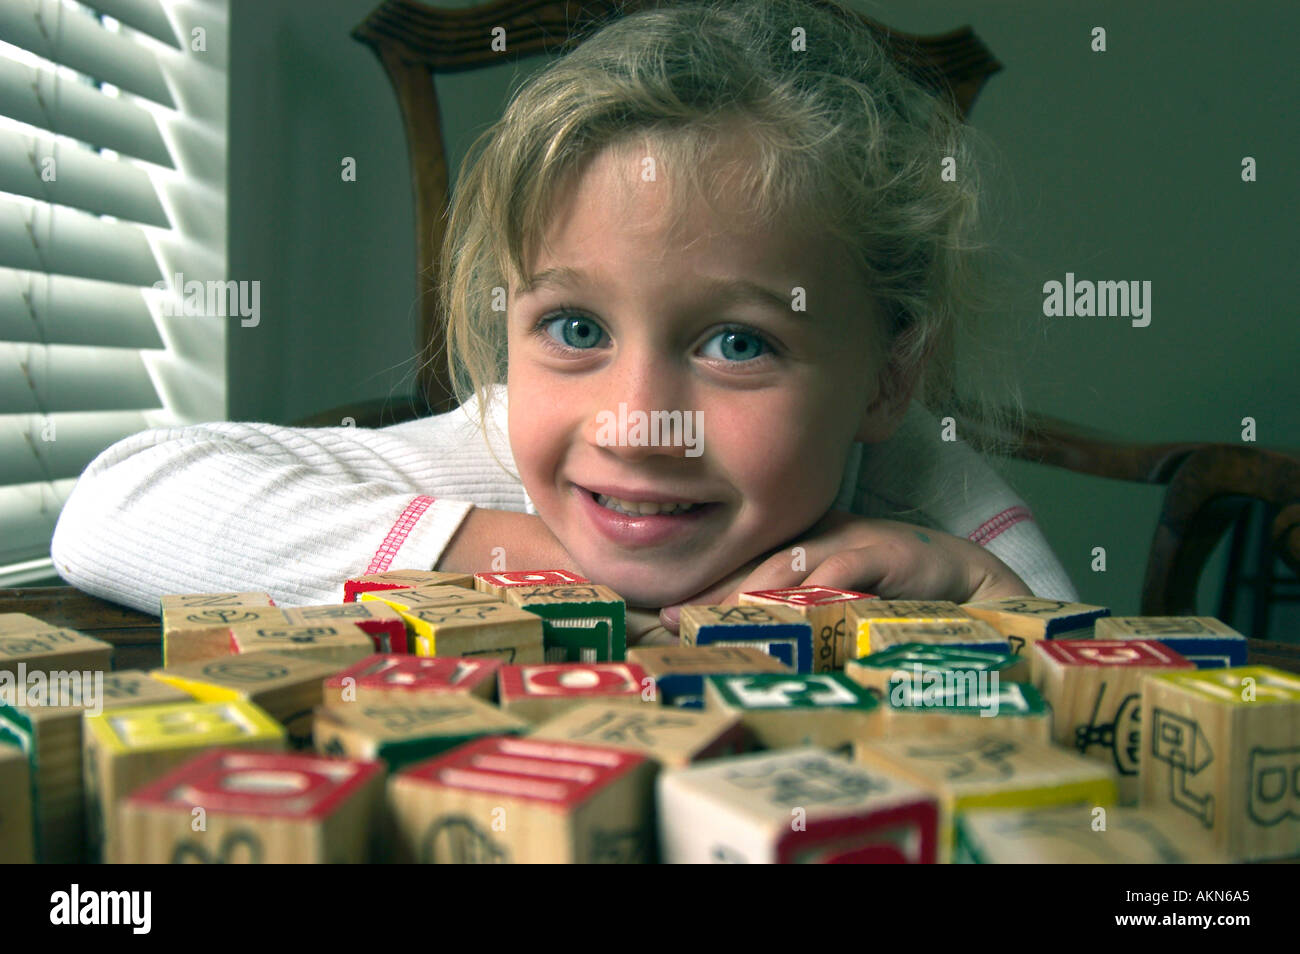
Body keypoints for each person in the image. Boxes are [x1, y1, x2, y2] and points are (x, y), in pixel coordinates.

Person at [51, 0, 1078, 645]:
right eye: (577, 330)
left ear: (886, 380)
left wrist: (977, 585)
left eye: (737, 343)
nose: (633, 426)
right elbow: (115, 505)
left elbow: (1105, 684)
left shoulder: (921, 491)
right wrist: (489, 553)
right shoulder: (488, 455)